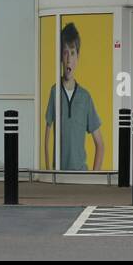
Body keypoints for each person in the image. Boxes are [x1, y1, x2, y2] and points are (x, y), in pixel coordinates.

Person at [43, 22, 104, 171]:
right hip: (58, 174)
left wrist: (93, 179)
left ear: (78, 57)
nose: (69, 58)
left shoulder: (85, 98)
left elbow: (100, 144)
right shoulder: (54, 92)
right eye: (65, 52)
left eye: (72, 53)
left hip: (81, 175)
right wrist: (49, 172)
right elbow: (46, 139)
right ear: (60, 58)